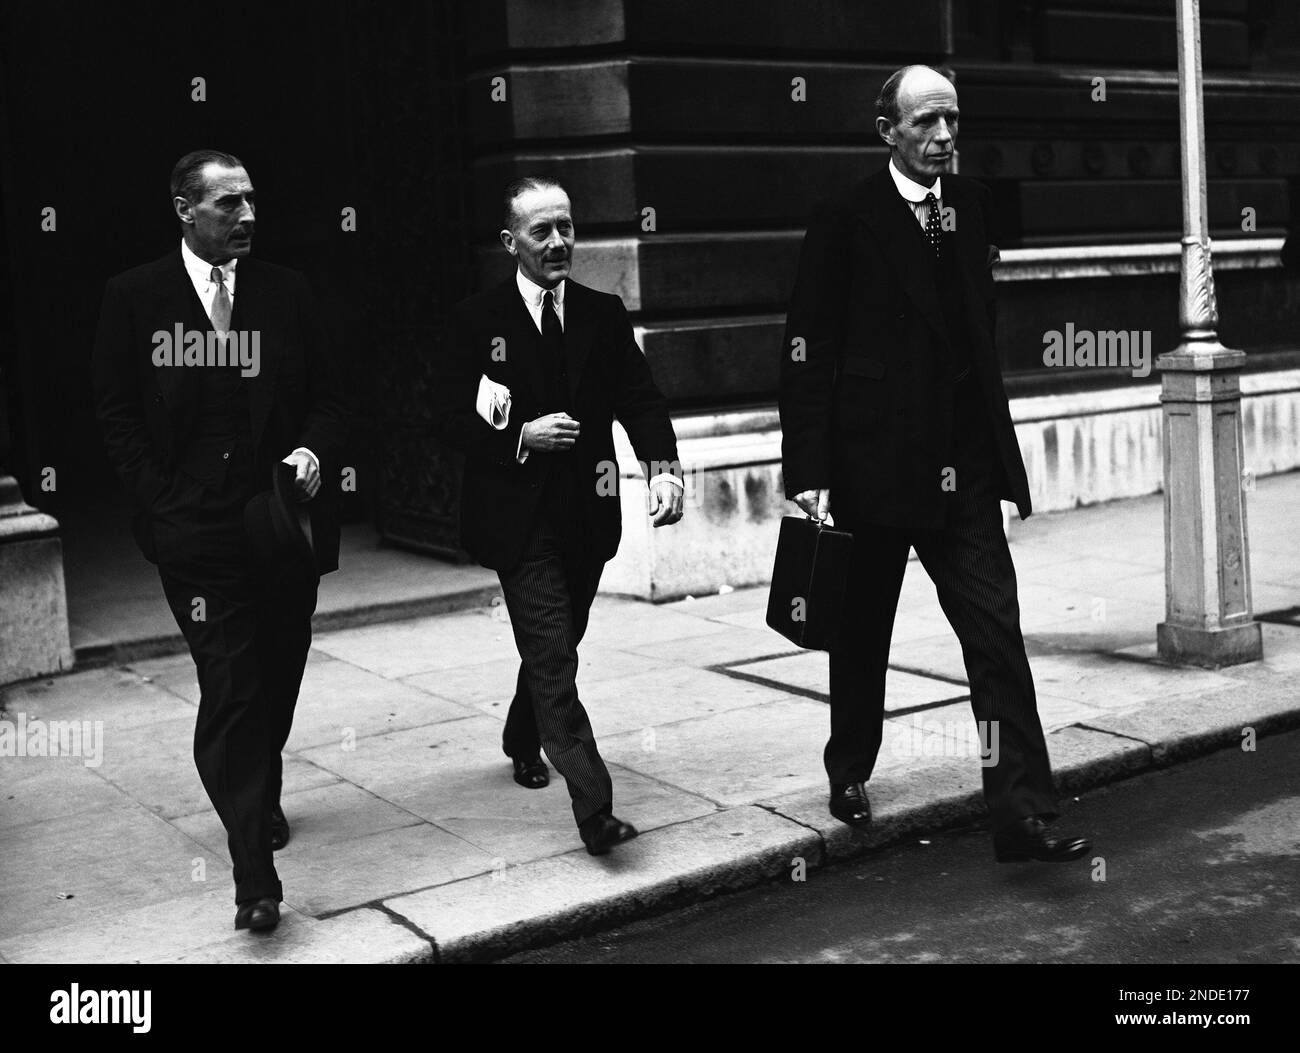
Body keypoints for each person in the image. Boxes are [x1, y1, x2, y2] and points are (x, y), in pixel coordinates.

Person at [778, 66, 1091, 863]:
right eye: (926, 123)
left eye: (953, 121)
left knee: (995, 638)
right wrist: (808, 468)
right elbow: (806, 350)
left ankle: (1019, 811)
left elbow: (976, 340)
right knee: (859, 636)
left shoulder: (973, 204)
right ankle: (849, 767)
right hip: (871, 470)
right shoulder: (845, 218)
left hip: (963, 473)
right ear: (888, 130)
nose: (944, 137)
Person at [92, 149, 347, 930]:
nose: (247, 216)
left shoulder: (285, 291)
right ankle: (254, 877)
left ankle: (256, 795)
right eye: (228, 204)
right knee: (232, 688)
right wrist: (165, 502)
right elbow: (116, 416)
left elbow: (332, 396)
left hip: (278, 522)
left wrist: (310, 450)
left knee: (277, 673)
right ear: (183, 209)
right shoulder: (135, 298)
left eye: (251, 202)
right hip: (193, 532)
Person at [435, 176, 683, 855]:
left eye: (566, 227)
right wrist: (518, 436)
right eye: (541, 231)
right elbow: (446, 418)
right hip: (517, 522)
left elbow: (641, 398)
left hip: (587, 516)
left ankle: (523, 734)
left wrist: (663, 467)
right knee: (552, 656)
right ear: (510, 241)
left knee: (558, 645)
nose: (558, 242)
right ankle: (595, 811)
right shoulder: (475, 320)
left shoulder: (602, 313)